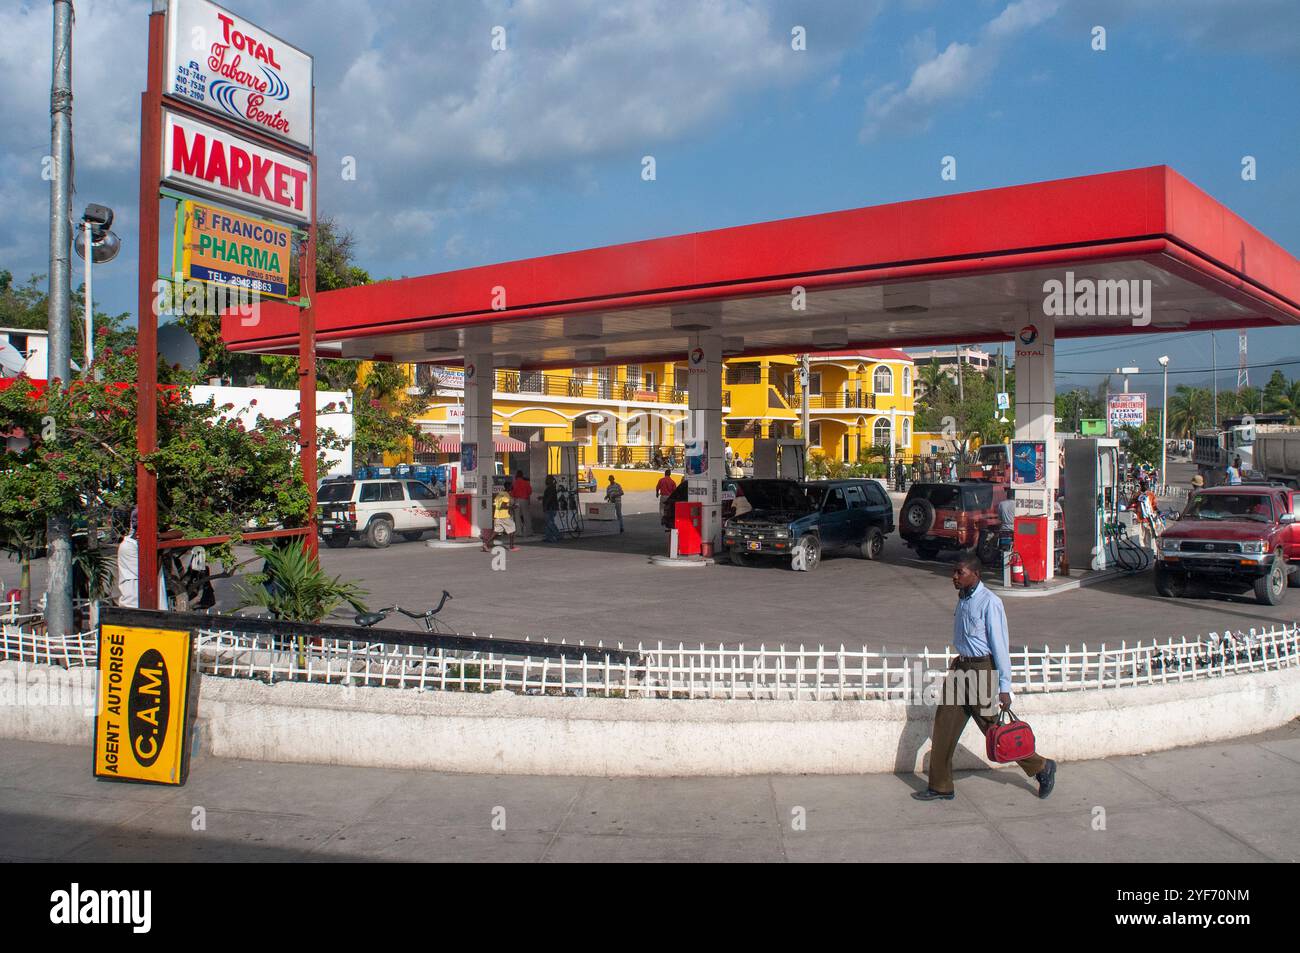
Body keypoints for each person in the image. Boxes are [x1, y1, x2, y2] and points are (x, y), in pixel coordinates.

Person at [913, 553, 1057, 801]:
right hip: (961, 670)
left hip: (982, 671)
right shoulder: (964, 600)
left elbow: (1000, 645)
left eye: (960, 572)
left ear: (975, 574)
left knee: (992, 729)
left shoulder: (990, 602)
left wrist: (1005, 686)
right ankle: (941, 786)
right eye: (955, 572)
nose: (954, 577)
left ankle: (1041, 766)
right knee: (943, 725)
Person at [484, 487, 518, 551]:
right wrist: (512, 507)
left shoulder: (499, 495)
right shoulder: (506, 495)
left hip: (497, 516)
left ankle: (485, 544)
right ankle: (511, 547)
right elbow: (503, 506)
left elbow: (494, 505)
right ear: (510, 490)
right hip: (504, 516)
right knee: (512, 530)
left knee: (496, 532)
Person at [1130, 479, 1159, 553]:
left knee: (1146, 536)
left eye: (1146, 485)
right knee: (1143, 537)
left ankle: (1147, 551)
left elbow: (1154, 505)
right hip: (1142, 519)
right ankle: (1144, 551)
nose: (1146, 486)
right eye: (1144, 485)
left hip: (1147, 520)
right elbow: (1132, 504)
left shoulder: (1149, 495)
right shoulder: (1139, 495)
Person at [509, 470, 533, 537]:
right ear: (522, 475)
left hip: (517, 500)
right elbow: (530, 492)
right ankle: (529, 531)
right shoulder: (526, 483)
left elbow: (512, 493)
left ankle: (518, 532)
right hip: (524, 500)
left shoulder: (514, 483)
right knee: (526, 516)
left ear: (517, 475)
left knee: (517, 517)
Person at [540, 475, 561, 542]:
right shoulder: (551, 488)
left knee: (550, 523)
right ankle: (548, 537)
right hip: (552, 507)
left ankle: (557, 535)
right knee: (548, 523)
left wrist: (545, 507)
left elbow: (549, 499)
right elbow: (549, 497)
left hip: (550, 508)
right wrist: (543, 498)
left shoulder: (550, 488)